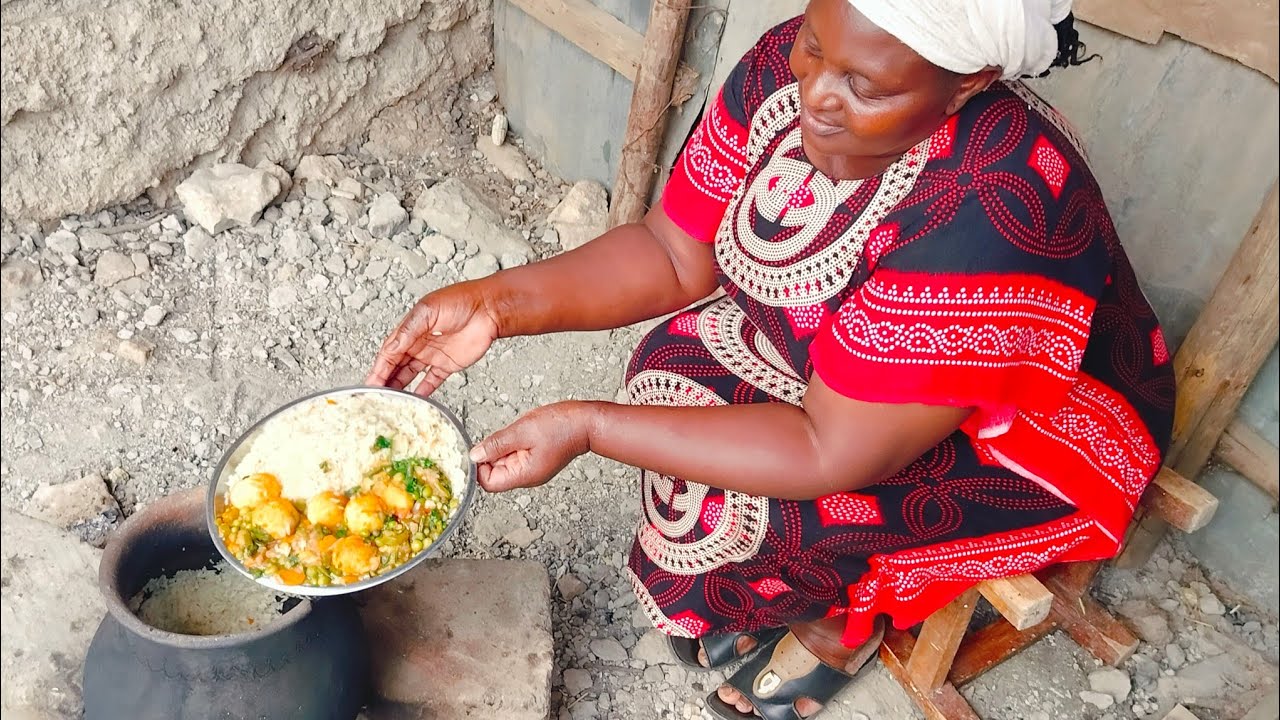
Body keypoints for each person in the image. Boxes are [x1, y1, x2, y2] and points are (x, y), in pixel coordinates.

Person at [368, 0, 1176, 716]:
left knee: (754, 511)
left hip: (1023, 437)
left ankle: (840, 618)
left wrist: (586, 428)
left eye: (866, 87)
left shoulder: (994, 208)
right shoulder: (791, 66)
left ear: (968, 82)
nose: (815, 99)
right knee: (672, 362)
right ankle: (779, 595)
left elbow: (830, 451)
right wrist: (494, 303)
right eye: (815, 49)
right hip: (846, 372)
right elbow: (670, 252)